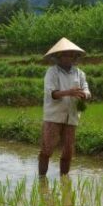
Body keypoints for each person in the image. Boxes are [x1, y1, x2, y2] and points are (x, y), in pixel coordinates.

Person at [38, 37, 91, 177]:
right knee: (47, 149)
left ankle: (64, 179)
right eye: (65, 55)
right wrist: (69, 92)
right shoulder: (52, 72)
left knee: (68, 151)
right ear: (58, 57)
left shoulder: (79, 73)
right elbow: (52, 93)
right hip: (54, 116)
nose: (68, 57)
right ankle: (42, 179)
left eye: (71, 55)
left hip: (72, 116)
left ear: (75, 57)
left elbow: (86, 89)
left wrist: (84, 95)